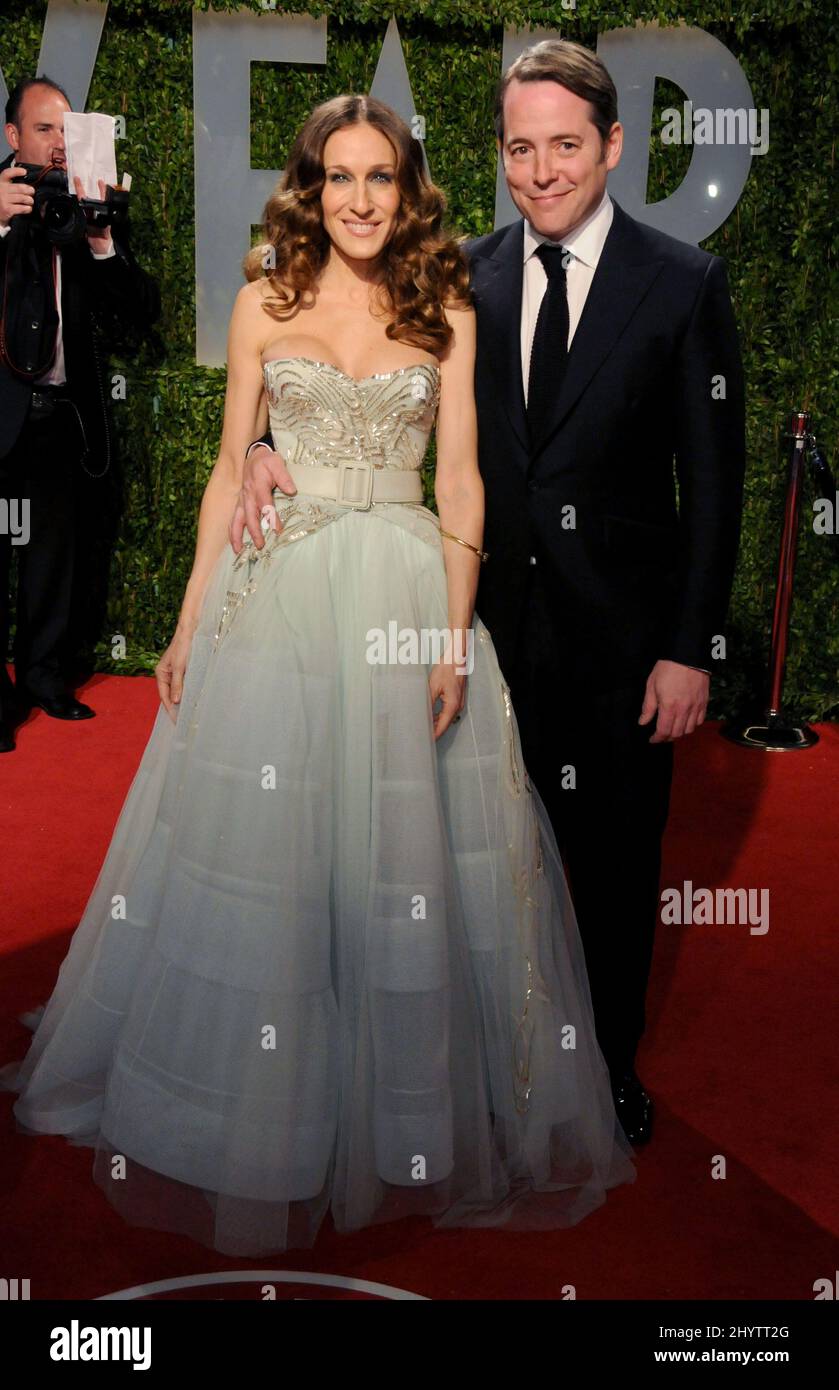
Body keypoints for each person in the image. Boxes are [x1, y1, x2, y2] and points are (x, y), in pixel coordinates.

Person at [1, 95, 635, 1259]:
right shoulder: (262, 303)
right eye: (337, 176)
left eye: (379, 177)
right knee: (273, 857)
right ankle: (264, 1114)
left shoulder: (445, 307)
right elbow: (222, 468)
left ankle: (401, 1115)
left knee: (405, 857)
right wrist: (187, 623)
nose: (357, 198)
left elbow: (459, 483)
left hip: (403, 596)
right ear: (307, 187)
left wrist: (450, 635)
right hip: (281, 599)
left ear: (407, 189)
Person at [238, 42, 747, 1146]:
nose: (541, 170)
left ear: (611, 146)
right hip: (471, 625)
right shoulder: (462, 274)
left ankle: (603, 1068)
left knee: (612, 872)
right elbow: (356, 367)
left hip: (619, 649)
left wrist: (687, 648)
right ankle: (477, 1069)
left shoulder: (681, 285)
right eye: (520, 148)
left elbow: (714, 487)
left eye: (565, 146)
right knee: (465, 871)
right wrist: (260, 450)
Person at [0, 76, 160, 753]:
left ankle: (44, 680)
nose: (59, 146)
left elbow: (136, 318)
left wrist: (100, 239)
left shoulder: (84, 209)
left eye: (67, 133)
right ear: (12, 137)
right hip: (2, 416)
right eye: (44, 131)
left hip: (62, 416)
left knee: (53, 559)